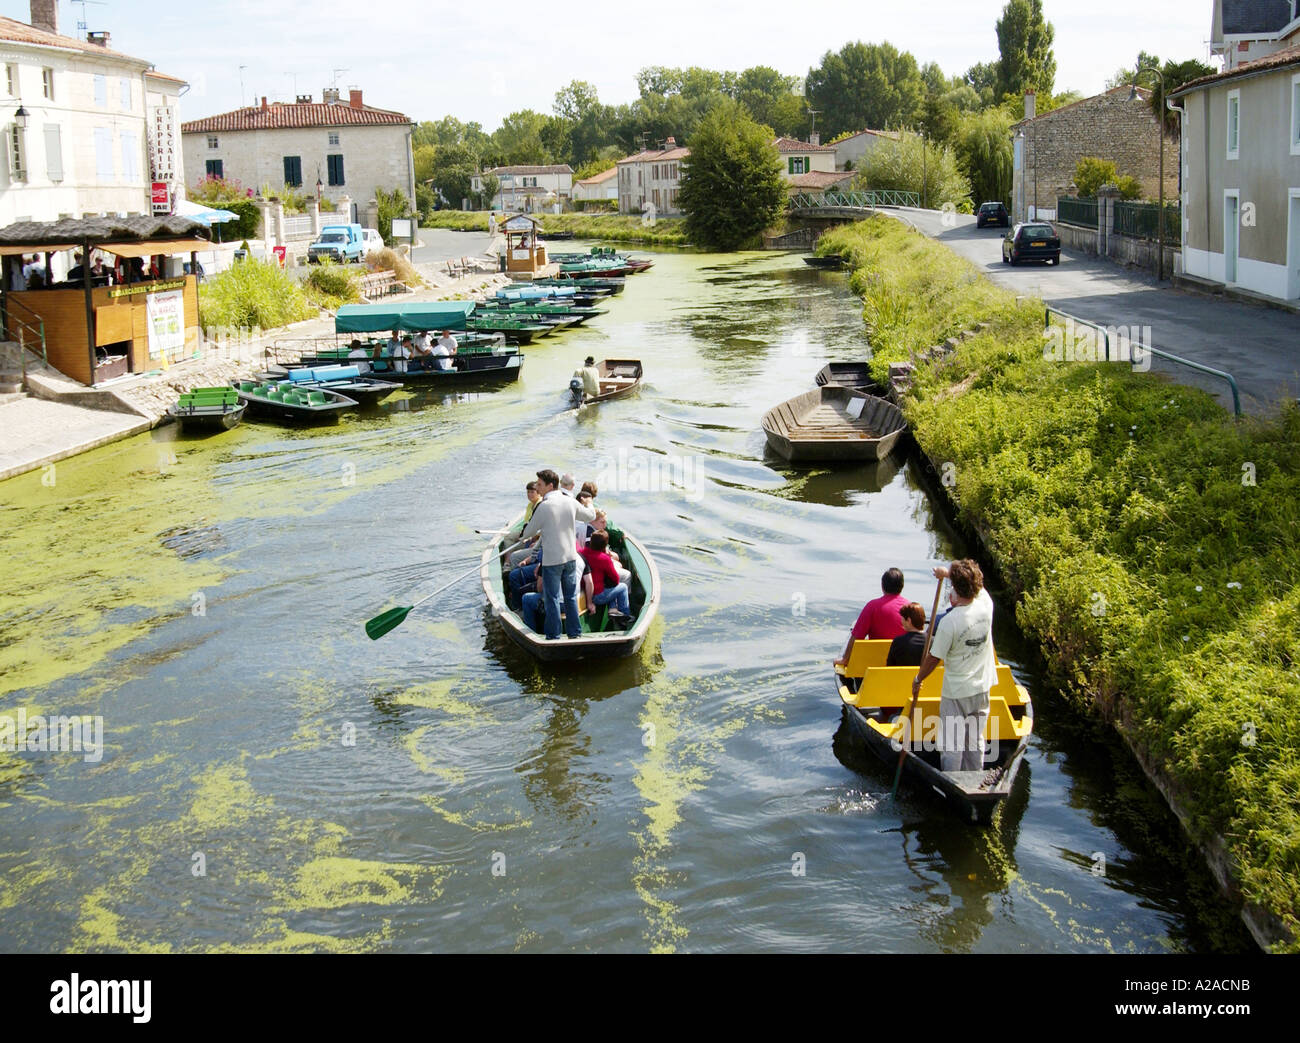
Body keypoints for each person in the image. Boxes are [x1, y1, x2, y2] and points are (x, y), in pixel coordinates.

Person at [911, 560, 998, 773]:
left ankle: (953, 782)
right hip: (982, 687)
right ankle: (974, 781)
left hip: (957, 692)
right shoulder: (986, 605)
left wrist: (918, 679)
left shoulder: (950, 622)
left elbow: (933, 658)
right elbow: (973, 580)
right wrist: (948, 573)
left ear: (956, 589)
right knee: (975, 740)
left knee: (952, 744)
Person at [519, 468, 596, 640]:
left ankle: (553, 636)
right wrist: (589, 501)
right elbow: (590, 515)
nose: (537, 488)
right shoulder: (569, 501)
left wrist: (523, 533)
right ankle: (575, 634)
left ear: (550, 485)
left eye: (539, 484)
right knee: (569, 597)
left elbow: (528, 532)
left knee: (552, 598)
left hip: (552, 561)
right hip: (570, 558)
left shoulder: (543, 506)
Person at [835, 567, 908, 667]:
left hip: (875, 665)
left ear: (882, 586)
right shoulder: (911, 607)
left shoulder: (872, 606)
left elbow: (856, 637)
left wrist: (845, 659)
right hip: (902, 665)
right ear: (902, 586)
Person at [580, 530, 631, 626]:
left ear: (591, 542)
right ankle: (625, 616)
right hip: (597, 596)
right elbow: (615, 579)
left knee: (610, 586)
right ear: (605, 545)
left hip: (585, 590)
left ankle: (613, 609)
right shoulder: (604, 559)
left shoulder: (582, 553)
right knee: (622, 587)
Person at [886, 602, 928, 667]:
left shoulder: (898, 642)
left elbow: (890, 666)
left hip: (902, 677)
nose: (901, 621)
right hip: (928, 677)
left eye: (902, 618)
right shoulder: (932, 641)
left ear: (908, 620)